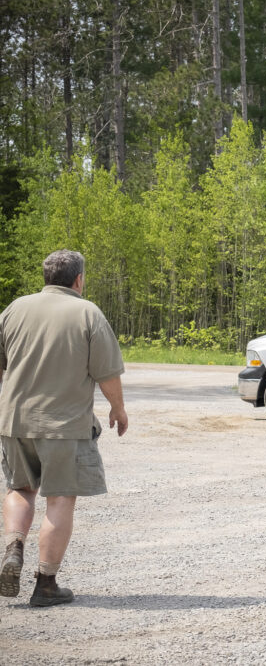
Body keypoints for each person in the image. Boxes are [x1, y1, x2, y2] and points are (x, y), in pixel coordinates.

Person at [0, 250, 128, 607]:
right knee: (58, 499)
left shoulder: (14, 309)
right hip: (64, 426)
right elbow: (107, 373)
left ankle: (14, 547)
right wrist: (118, 409)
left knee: (20, 488)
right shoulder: (87, 313)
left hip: (15, 422)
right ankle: (45, 584)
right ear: (78, 279)